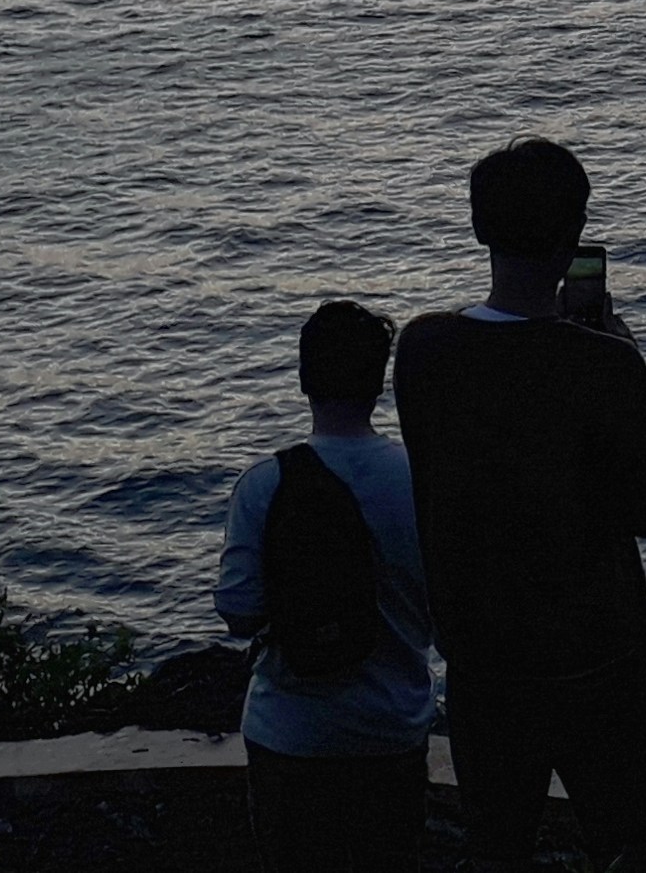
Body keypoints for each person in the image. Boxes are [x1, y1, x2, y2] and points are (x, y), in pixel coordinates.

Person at [393, 138, 646, 872]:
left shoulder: (425, 352)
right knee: (636, 844)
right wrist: (619, 348)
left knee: (499, 847)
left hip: (486, 663)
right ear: (575, 231)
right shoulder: (604, 364)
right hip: (603, 657)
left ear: (478, 226)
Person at [214, 301, 437, 873]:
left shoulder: (263, 486)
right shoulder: (422, 478)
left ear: (303, 379)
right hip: (392, 731)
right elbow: (447, 608)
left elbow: (238, 611)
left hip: (291, 733)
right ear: (378, 383)